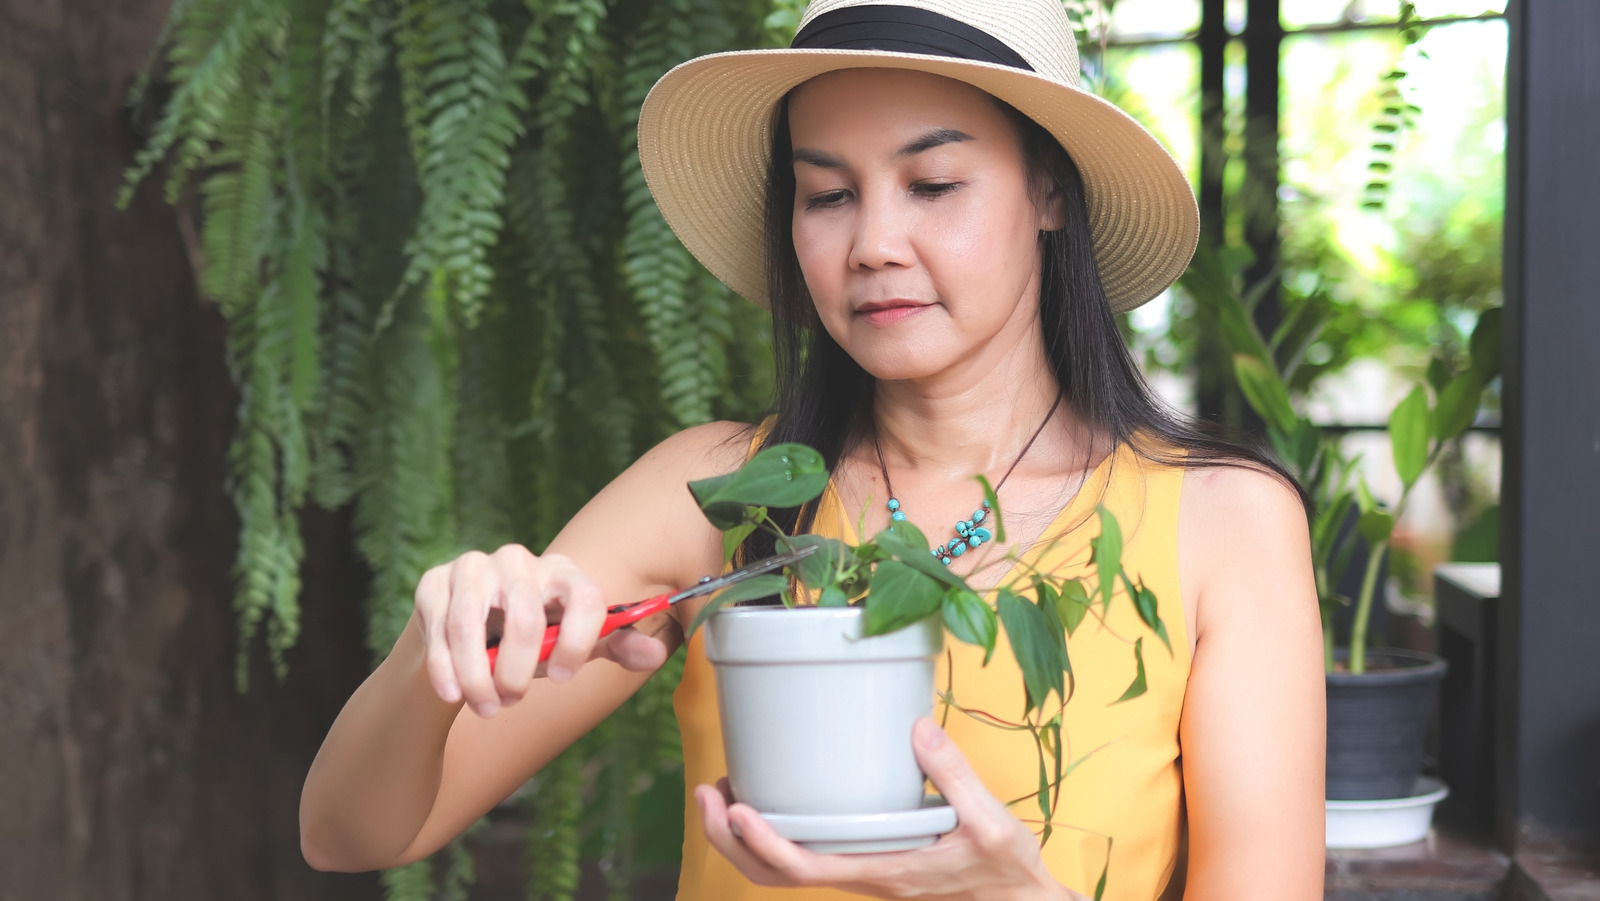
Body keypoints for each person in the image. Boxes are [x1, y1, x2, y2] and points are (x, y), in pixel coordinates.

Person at [299, 0, 1326, 897]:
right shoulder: (716, 498)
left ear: (1049, 193)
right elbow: (349, 834)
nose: (872, 241)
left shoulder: (1217, 525)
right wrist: (432, 650)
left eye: (931, 183)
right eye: (827, 194)